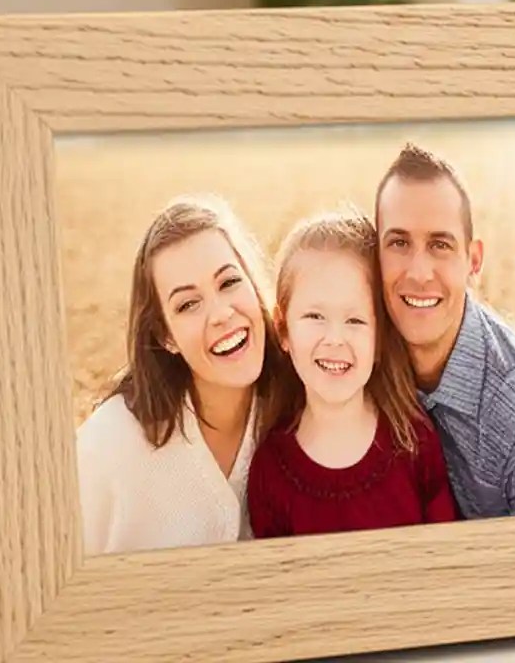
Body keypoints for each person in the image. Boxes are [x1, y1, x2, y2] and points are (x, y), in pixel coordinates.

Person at [373, 143, 515, 519]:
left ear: (474, 260)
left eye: (440, 244)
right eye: (399, 242)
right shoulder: (354, 350)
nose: (418, 273)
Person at [76, 195, 286, 555]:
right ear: (166, 336)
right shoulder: (106, 449)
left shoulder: (300, 410)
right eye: (188, 304)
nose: (220, 314)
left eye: (229, 282)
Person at [246, 210, 459, 538]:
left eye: (355, 321)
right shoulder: (270, 470)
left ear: (380, 340)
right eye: (315, 316)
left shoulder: (414, 440)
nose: (334, 339)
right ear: (283, 329)